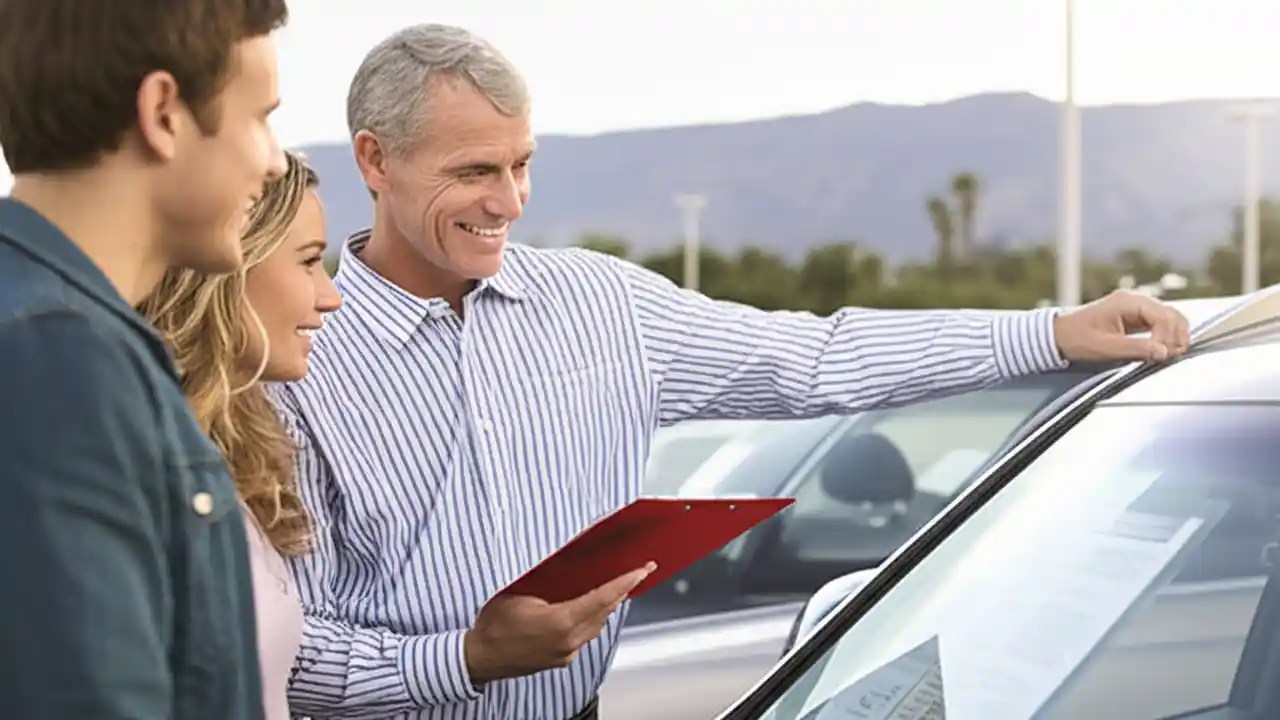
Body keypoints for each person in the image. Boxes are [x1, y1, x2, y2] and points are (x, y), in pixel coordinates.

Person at [269, 23, 1191, 720]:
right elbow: (288, 652)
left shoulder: (604, 305)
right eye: (474, 170)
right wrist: (466, 658)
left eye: (521, 165)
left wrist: (1053, 333)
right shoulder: (293, 362)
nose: (508, 202)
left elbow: (818, 356)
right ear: (374, 160)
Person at [0, 1, 289, 717]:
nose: (274, 159)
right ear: (163, 111)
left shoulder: (60, 336)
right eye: (261, 116)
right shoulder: (58, 360)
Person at [138, 150, 342, 720]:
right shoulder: (144, 461)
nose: (331, 296)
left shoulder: (230, 446)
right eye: (307, 262)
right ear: (227, 270)